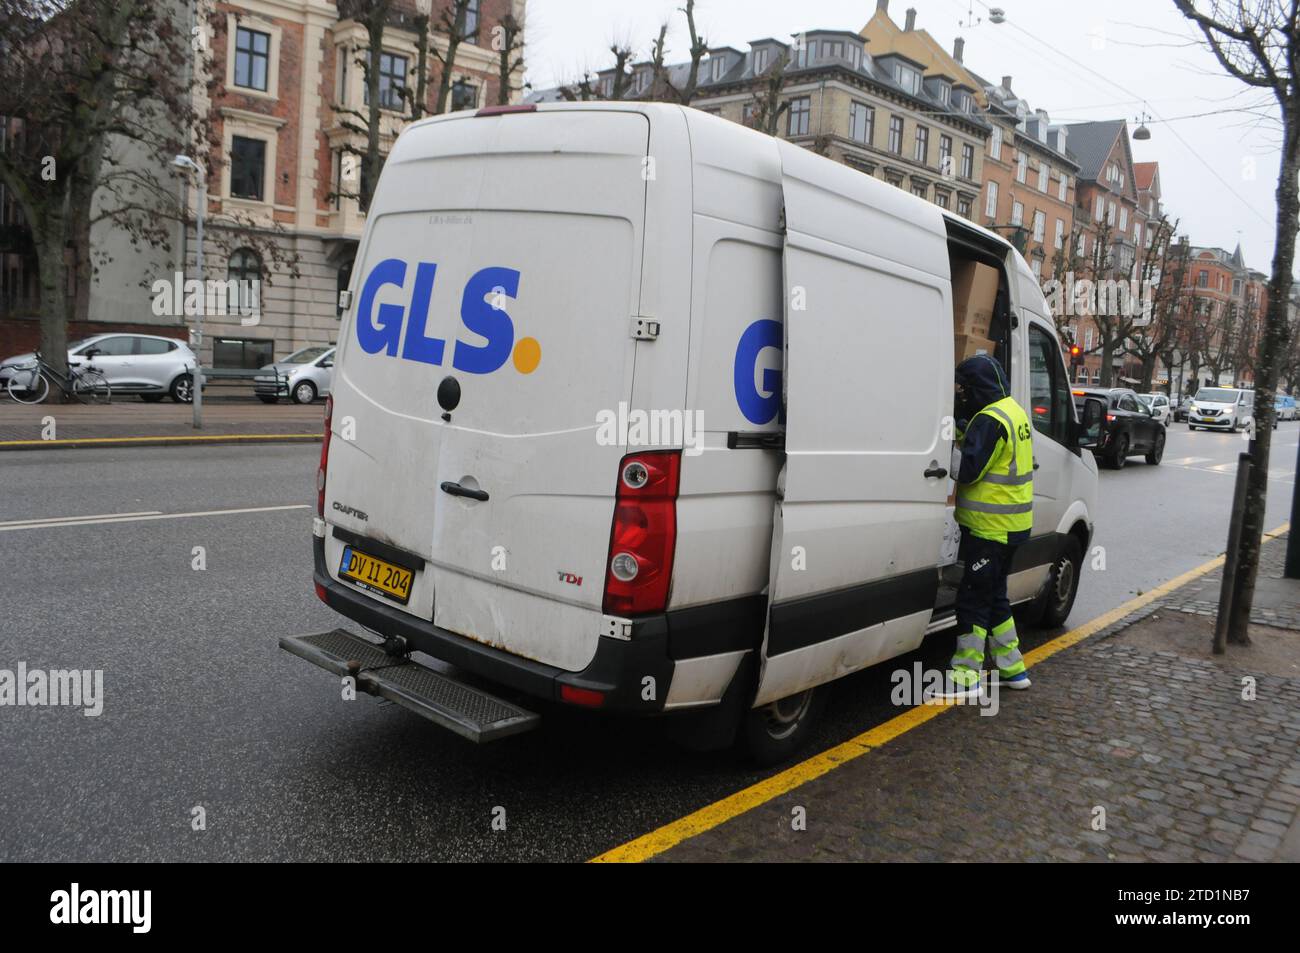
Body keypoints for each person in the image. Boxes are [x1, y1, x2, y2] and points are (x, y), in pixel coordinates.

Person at [937, 353, 1034, 699]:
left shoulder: (990, 420)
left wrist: (945, 446)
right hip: (1012, 526)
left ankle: (965, 678)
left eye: (964, 388)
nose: (962, 394)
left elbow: (968, 470)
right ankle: (1013, 668)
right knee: (995, 596)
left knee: (973, 599)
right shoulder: (1013, 411)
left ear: (978, 388)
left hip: (989, 528)